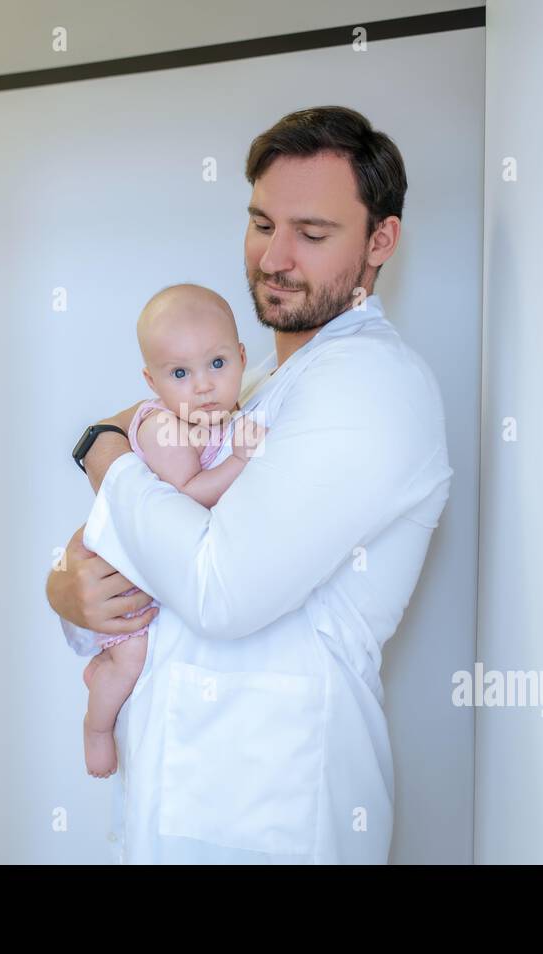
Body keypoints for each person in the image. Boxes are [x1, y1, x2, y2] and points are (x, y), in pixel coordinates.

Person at [49, 105, 452, 863]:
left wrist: (105, 456)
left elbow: (218, 590)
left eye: (312, 232)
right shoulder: (254, 387)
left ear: (380, 240)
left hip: (275, 820)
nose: (275, 257)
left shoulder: (373, 386)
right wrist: (69, 596)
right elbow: (132, 556)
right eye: (262, 223)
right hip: (179, 802)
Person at [79, 283, 267, 779]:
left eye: (218, 364)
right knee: (131, 657)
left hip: (158, 574)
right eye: (180, 373)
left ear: (243, 357)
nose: (203, 386)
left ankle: (105, 672)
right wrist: (243, 461)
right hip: (125, 582)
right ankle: (96, 726)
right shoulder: (165, 429)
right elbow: (185, 494)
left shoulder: (225, 415)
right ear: (152, 381)